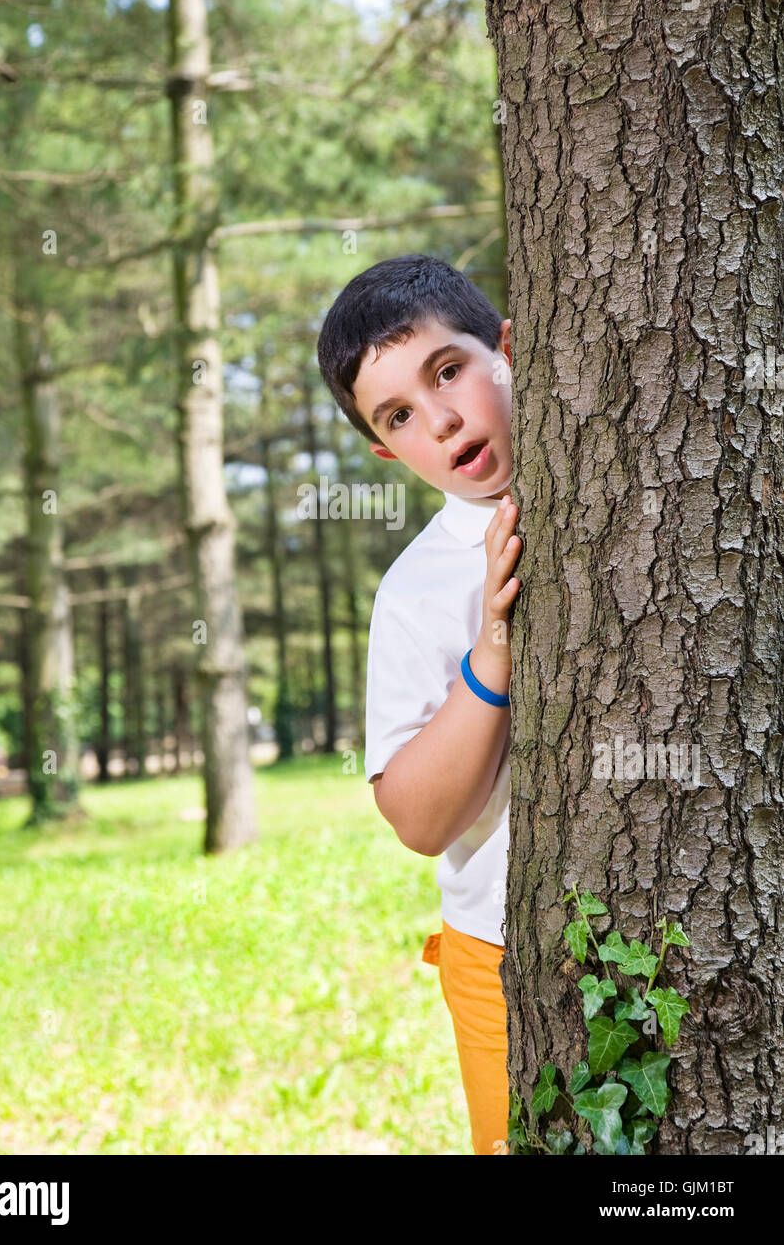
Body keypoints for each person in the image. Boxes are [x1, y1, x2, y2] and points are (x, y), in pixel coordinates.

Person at [317, 254, 522, 1155]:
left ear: (506, 349)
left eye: (450, 371)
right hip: (500, 951)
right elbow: (415, 816)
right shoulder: (414, 592)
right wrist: (490, 654)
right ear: (383, 450)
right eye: (399, 414)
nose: (440, 419)